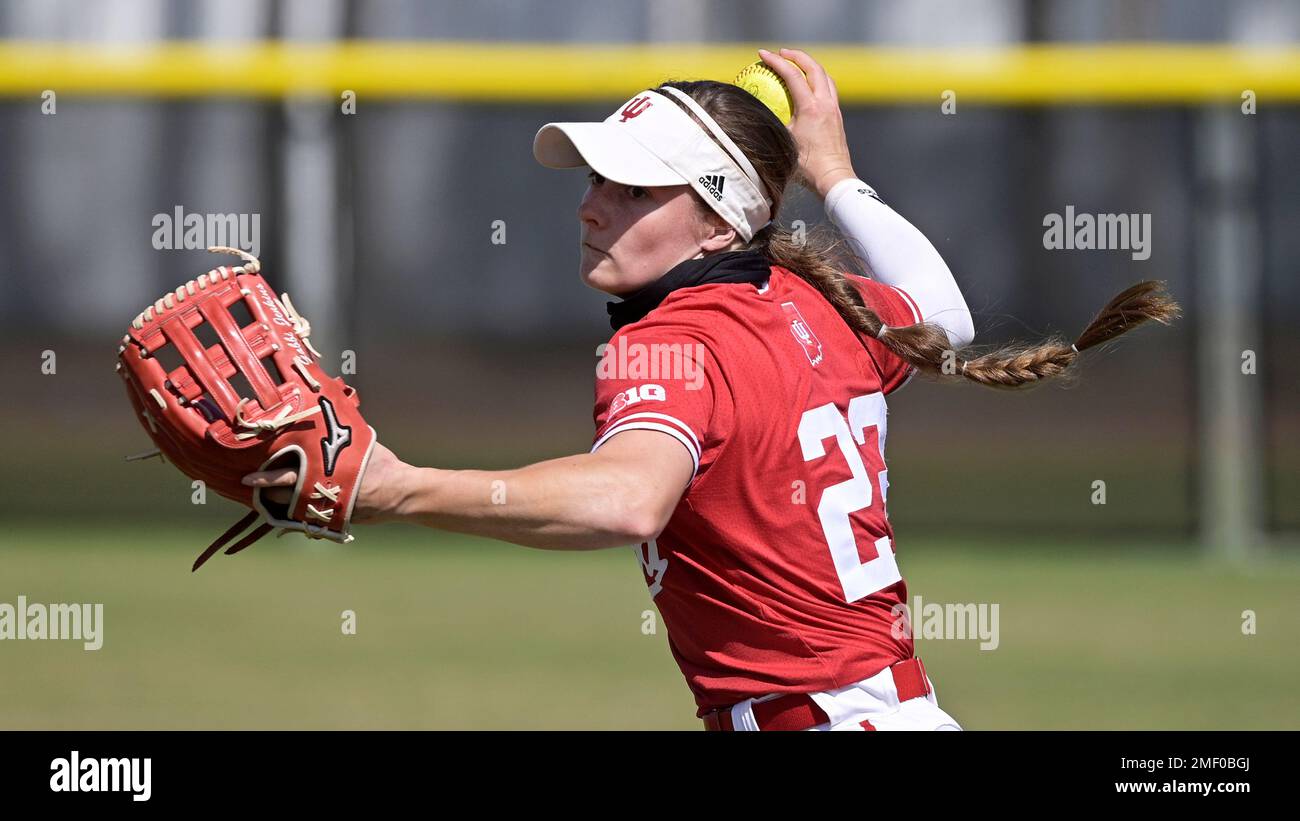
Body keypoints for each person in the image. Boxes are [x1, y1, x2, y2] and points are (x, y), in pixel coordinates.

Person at [243, 48, 1178, 731]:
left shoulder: (671, 341)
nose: (591, 204)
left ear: (716, 217)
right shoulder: (823, 303)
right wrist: (837, 175)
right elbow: (949, 313)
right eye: (599, 178)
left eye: (635, 189)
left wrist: (401, 487)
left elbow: (627, 499)